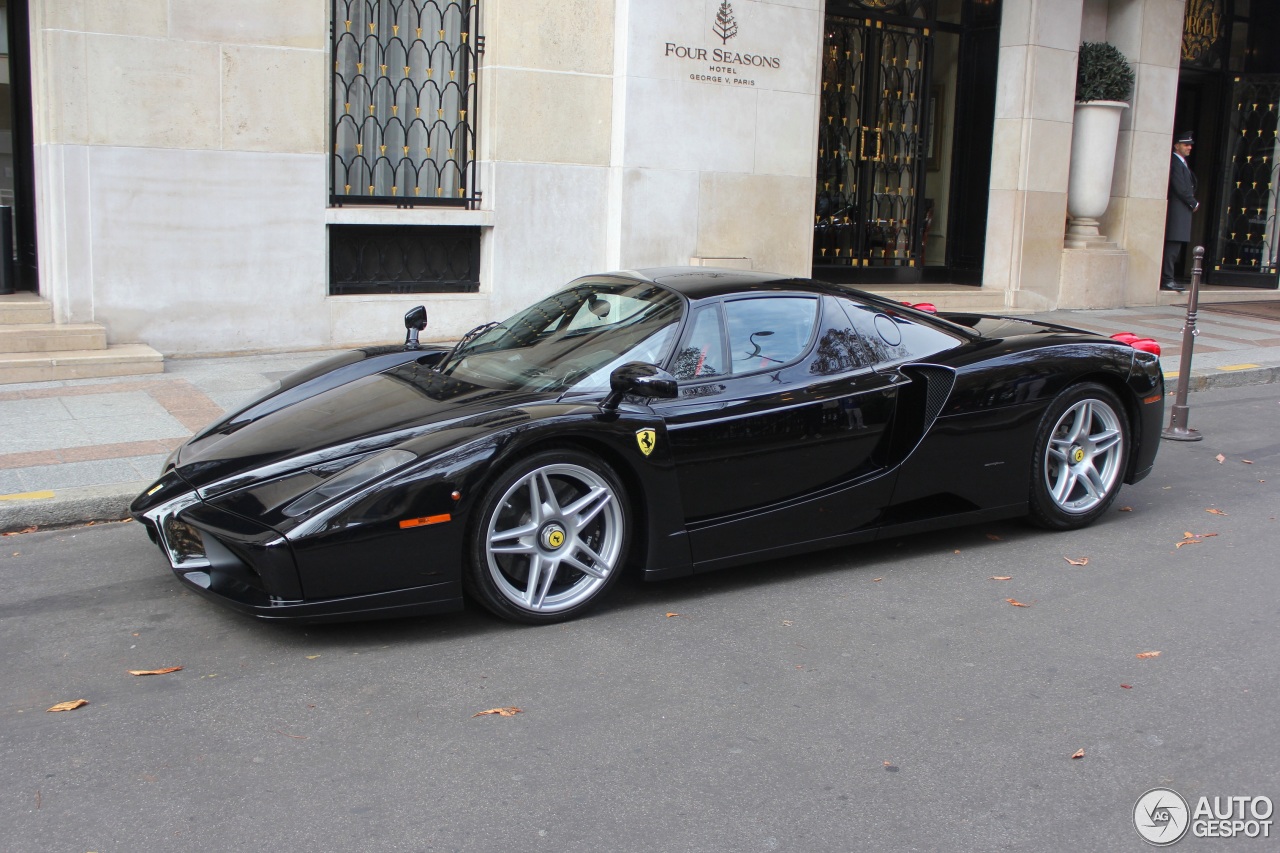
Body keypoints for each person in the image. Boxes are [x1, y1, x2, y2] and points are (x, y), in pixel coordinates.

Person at [1161, 131, 1198, 291]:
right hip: (1177, 211)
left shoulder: (1181, 162)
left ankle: (1169, 277)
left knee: (1175, 248)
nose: (1189, 147)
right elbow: (1180, 187)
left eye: (1190, 144)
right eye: (1186, 144)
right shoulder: (1176, 163)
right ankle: (1167, 279)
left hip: (1181, 211)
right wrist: (1193, 203)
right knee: (1172, 247)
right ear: (1176, 145)